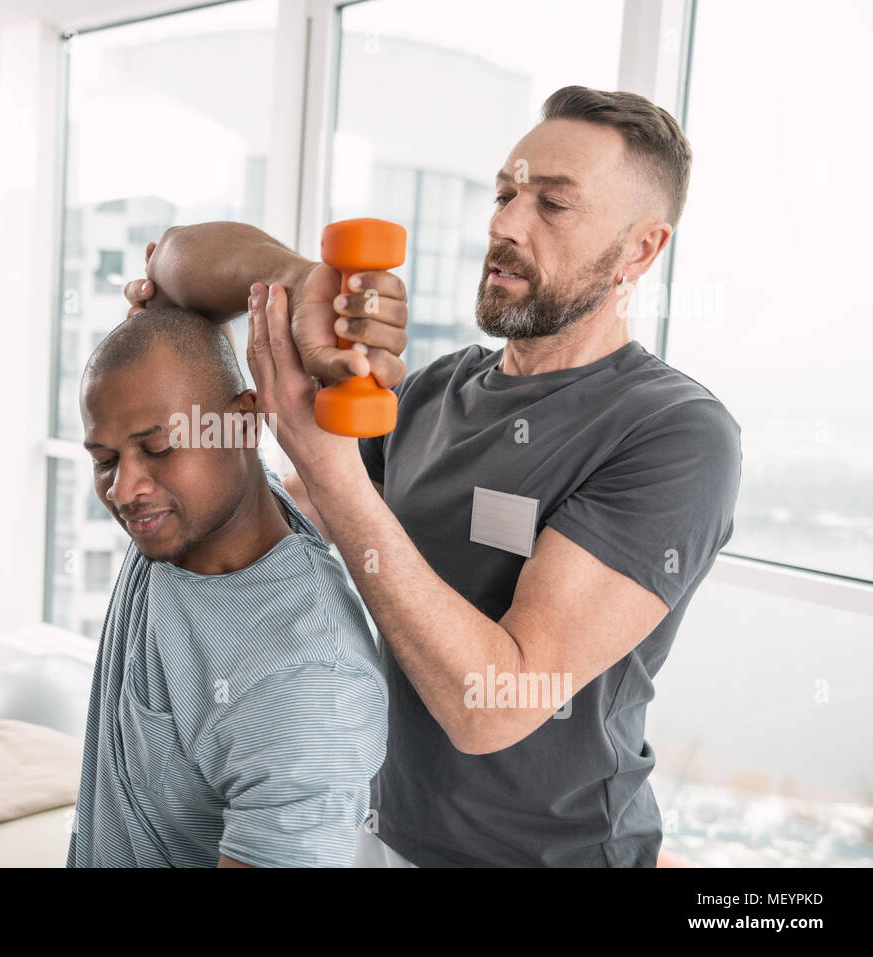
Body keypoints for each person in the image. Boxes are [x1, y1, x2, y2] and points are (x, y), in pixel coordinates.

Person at [126, 86, 743, 867]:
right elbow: (292, 526)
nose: (505, 223)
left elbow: (496, 704)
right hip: (378, 832)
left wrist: (331, 467)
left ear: (640, 250)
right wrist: (296, 285)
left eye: (552, 205)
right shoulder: (434, 390)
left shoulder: (674, 433)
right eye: (505, 193)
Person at [65, 306, 389, 868]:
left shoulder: (307, 692)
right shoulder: (185, 520)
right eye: (104, 460)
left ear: (241, 423)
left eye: (158, 449)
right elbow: (181, 262)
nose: (125, 489)